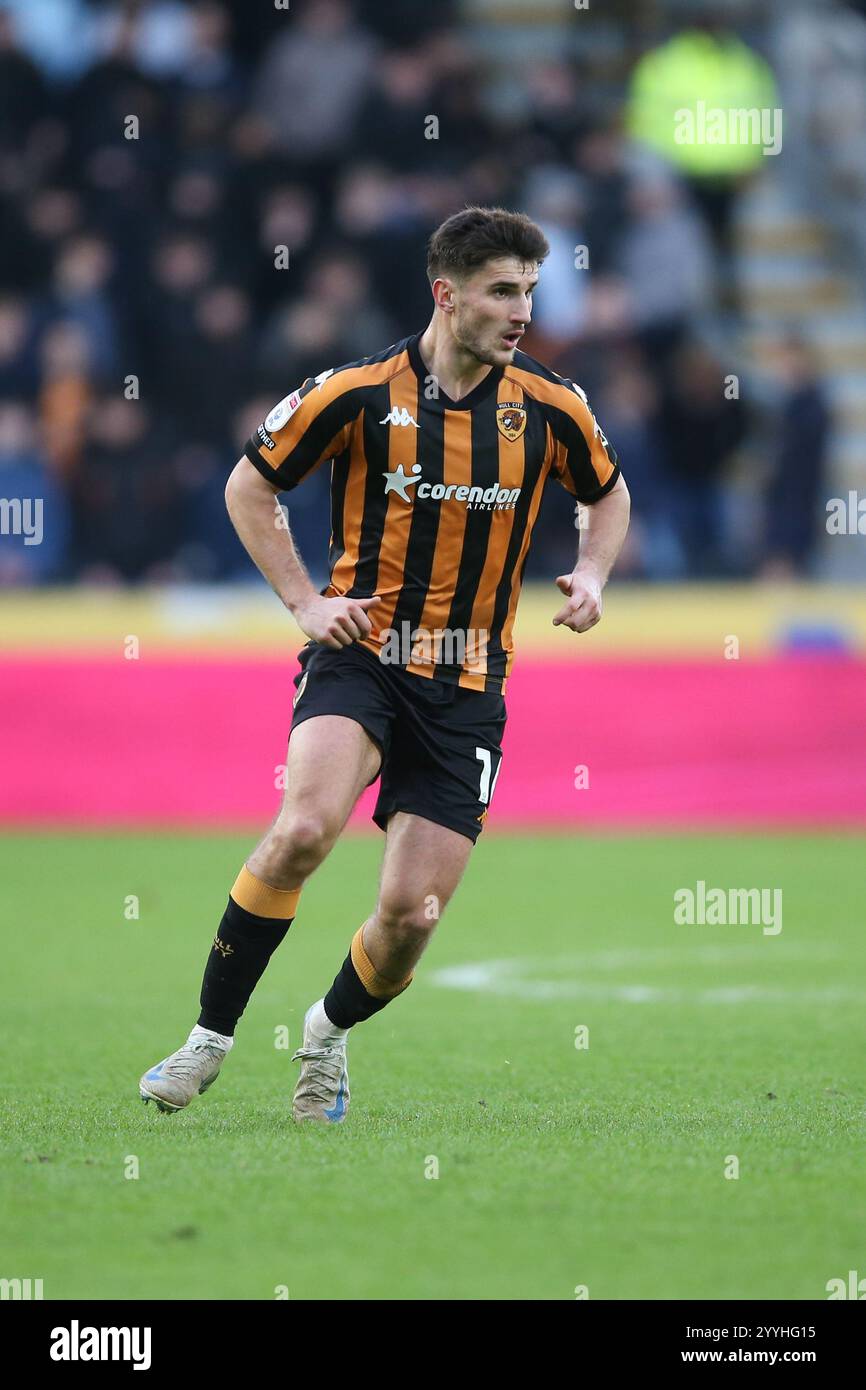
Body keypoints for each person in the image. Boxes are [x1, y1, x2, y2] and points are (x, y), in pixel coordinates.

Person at [139, 206, 630, 1123]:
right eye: (502, 291)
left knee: (410, 918)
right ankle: (207, 1039)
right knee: (303, 829)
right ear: (447, 295)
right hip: (362, 657)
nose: (522, 311)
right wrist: (304, 603)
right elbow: (250, 487)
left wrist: (594, 573)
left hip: (470, 682)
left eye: (529, 290)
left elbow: (608, 494)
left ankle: (325, 1033)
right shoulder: (356, 393)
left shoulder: (552, 405)